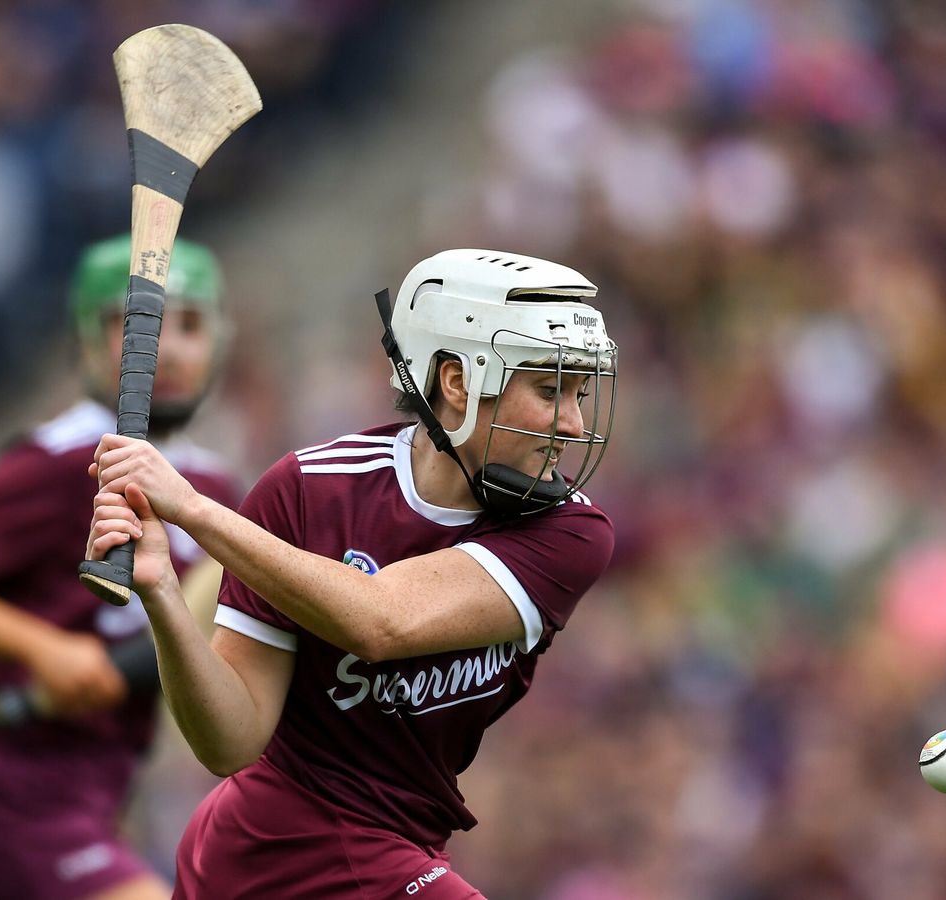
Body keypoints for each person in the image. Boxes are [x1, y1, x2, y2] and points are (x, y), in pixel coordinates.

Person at [86, 248, 619, 898]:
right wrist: (162, 592)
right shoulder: (309, 492)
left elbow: (382, 621)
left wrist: (195, 513)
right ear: (456, 381)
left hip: (390, 850)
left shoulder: (570, 532)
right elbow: (231, 743)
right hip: (274, 848)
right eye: (548, 390)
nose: (573, 425)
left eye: (579, 394)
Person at [0, 236, 244, 900]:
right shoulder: (62, 460)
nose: (172, 349)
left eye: (192, 325)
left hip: (94, 797)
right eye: (138, 326)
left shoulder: (212, 488)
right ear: (86, 340)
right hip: (11, 793)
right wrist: (45, 650)